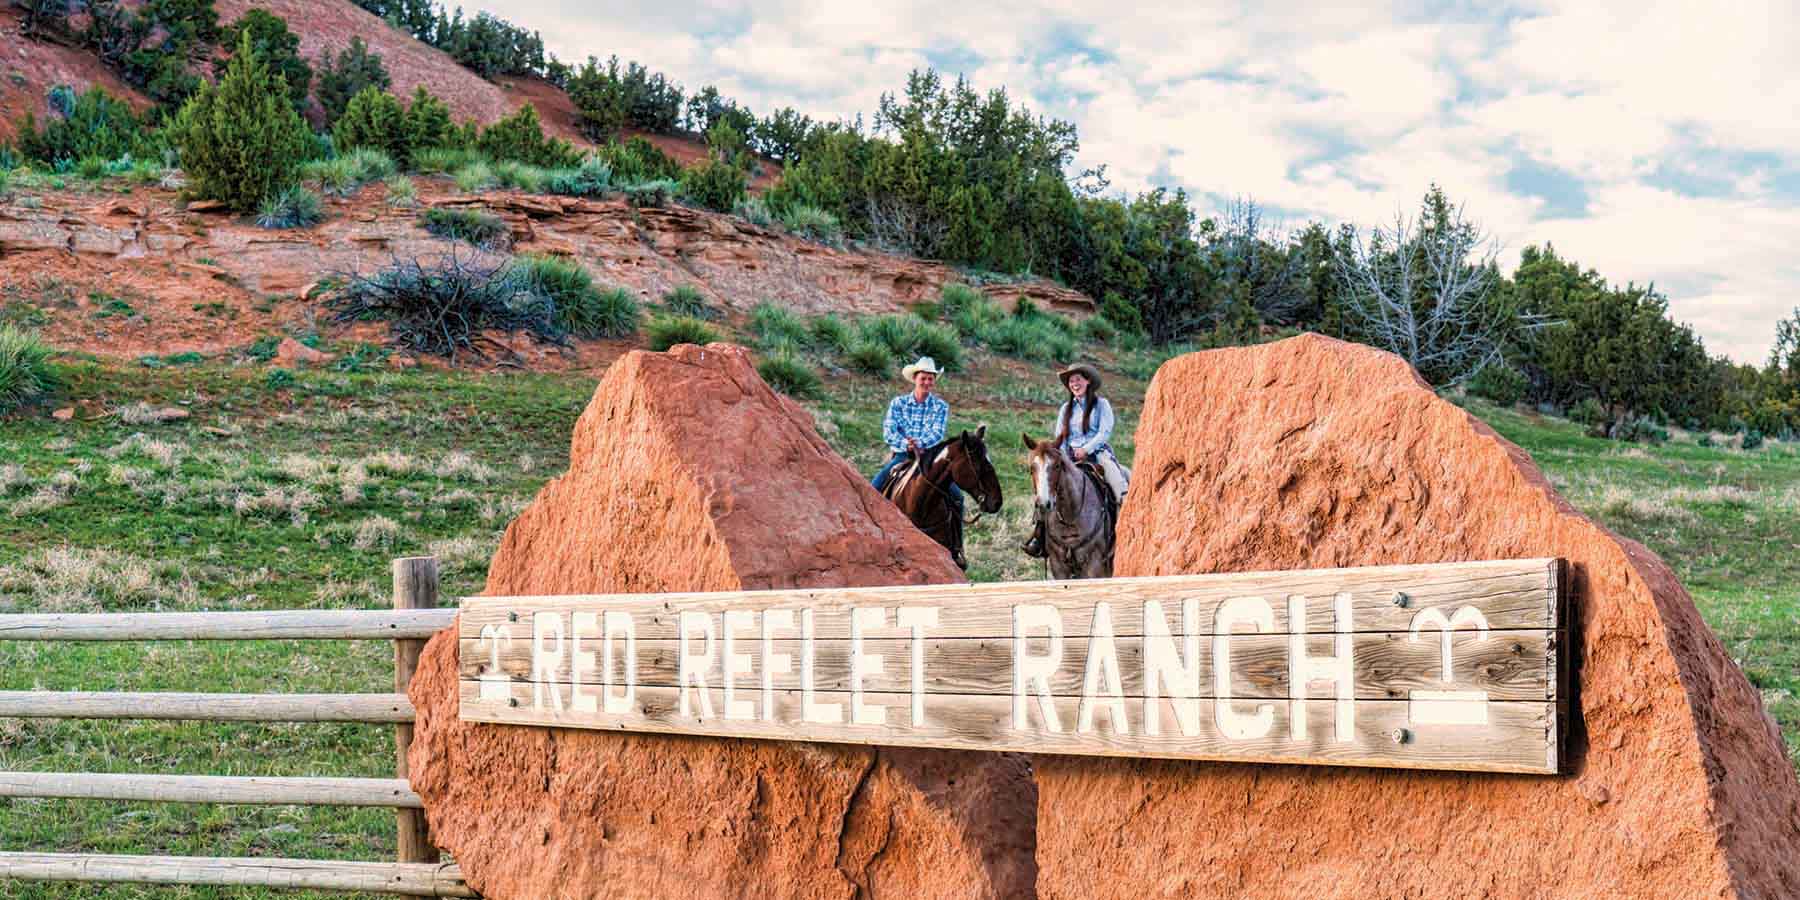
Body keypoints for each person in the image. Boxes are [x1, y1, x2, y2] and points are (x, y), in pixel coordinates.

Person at [1023, 362, 1130, 558]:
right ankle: (1040, 536)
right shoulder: (1066, 408)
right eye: (1071, 381)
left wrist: (1086, 449)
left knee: (1118, 484)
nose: (1074, 384)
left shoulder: (1101, 405)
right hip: (1069, 456)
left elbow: (1104, 431)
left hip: (1098, 454)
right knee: (1046, 486)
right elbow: (1059, 436)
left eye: (1078, 379)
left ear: (1088, 381)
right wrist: (1064, 455)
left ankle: (1125, 533)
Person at [872, 356, 962, 516]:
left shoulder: (940, 406)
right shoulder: (898, 403)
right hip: (903, 456)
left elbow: (937, 433)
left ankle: (956, 539)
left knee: (957, 497)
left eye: (930, 379)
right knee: (873, 489)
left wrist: (919, 443)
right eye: (923, 378)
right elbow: (889, 430)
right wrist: (906, 444)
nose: (927, 382)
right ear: (915, 379)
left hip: (929, 458)